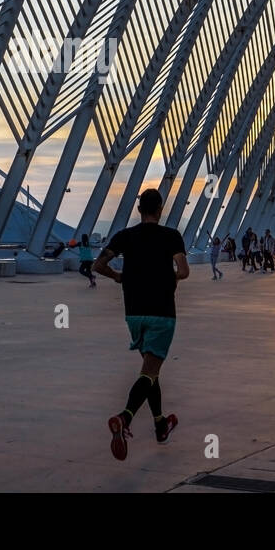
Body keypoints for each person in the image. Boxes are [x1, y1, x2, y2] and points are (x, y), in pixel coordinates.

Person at [92, 188, 189, 460]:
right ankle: (125, 418)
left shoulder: (125, 236)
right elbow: (183, 271)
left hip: (133, 313)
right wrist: (167, 279)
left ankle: (161, 425)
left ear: (138, 210)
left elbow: (98, 265)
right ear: (160, 209)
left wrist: (118, 276)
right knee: (149, 373)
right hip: (161, 313)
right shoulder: (171, 237)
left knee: (150, 370)